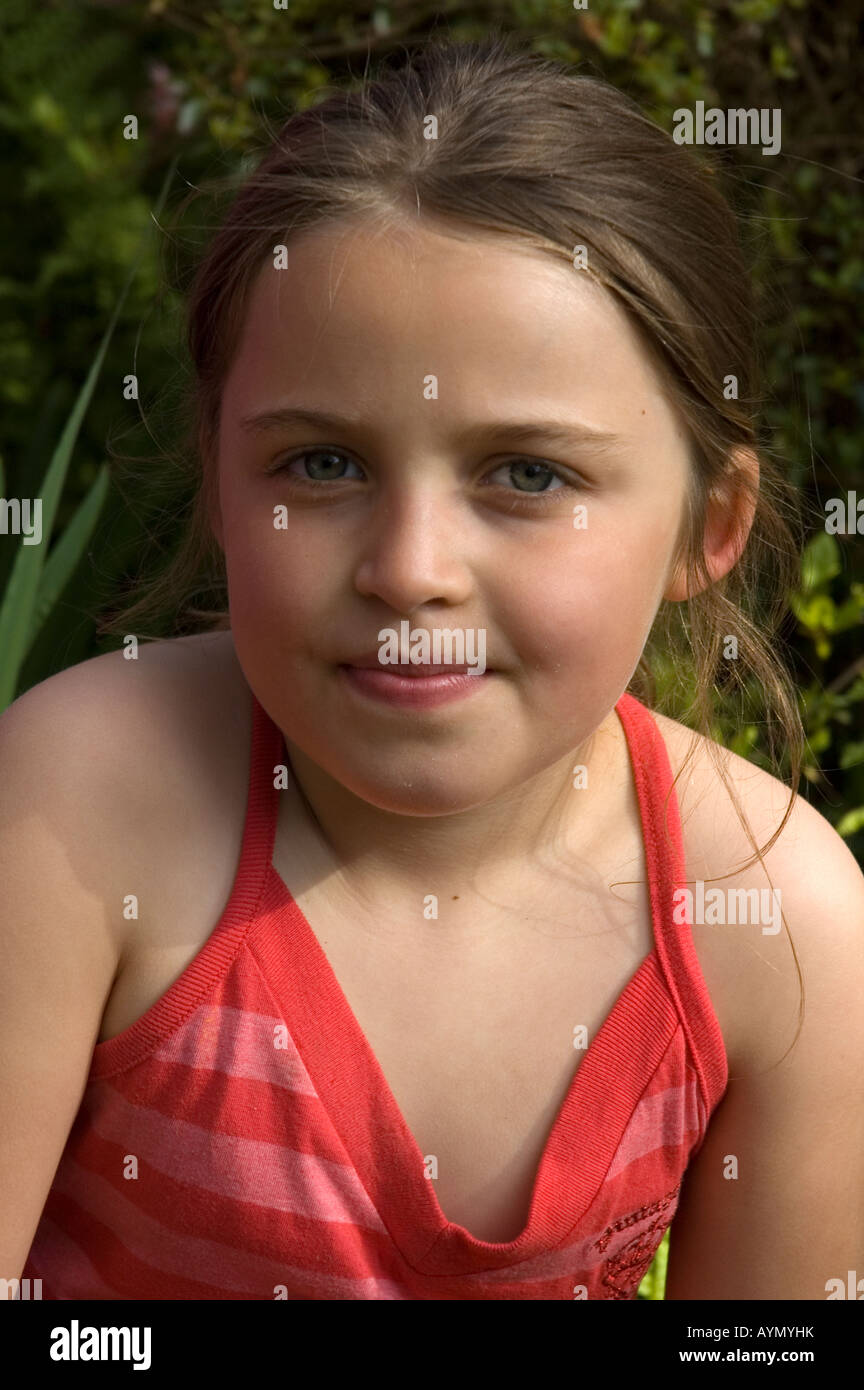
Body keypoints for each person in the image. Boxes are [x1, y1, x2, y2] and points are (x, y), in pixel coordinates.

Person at [3, 36, 862, 1301]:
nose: (410, 570)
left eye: (528, 475)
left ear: (709, 529)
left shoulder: (779, 925)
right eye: (323, 464)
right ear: (222, 480)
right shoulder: (82, 804)